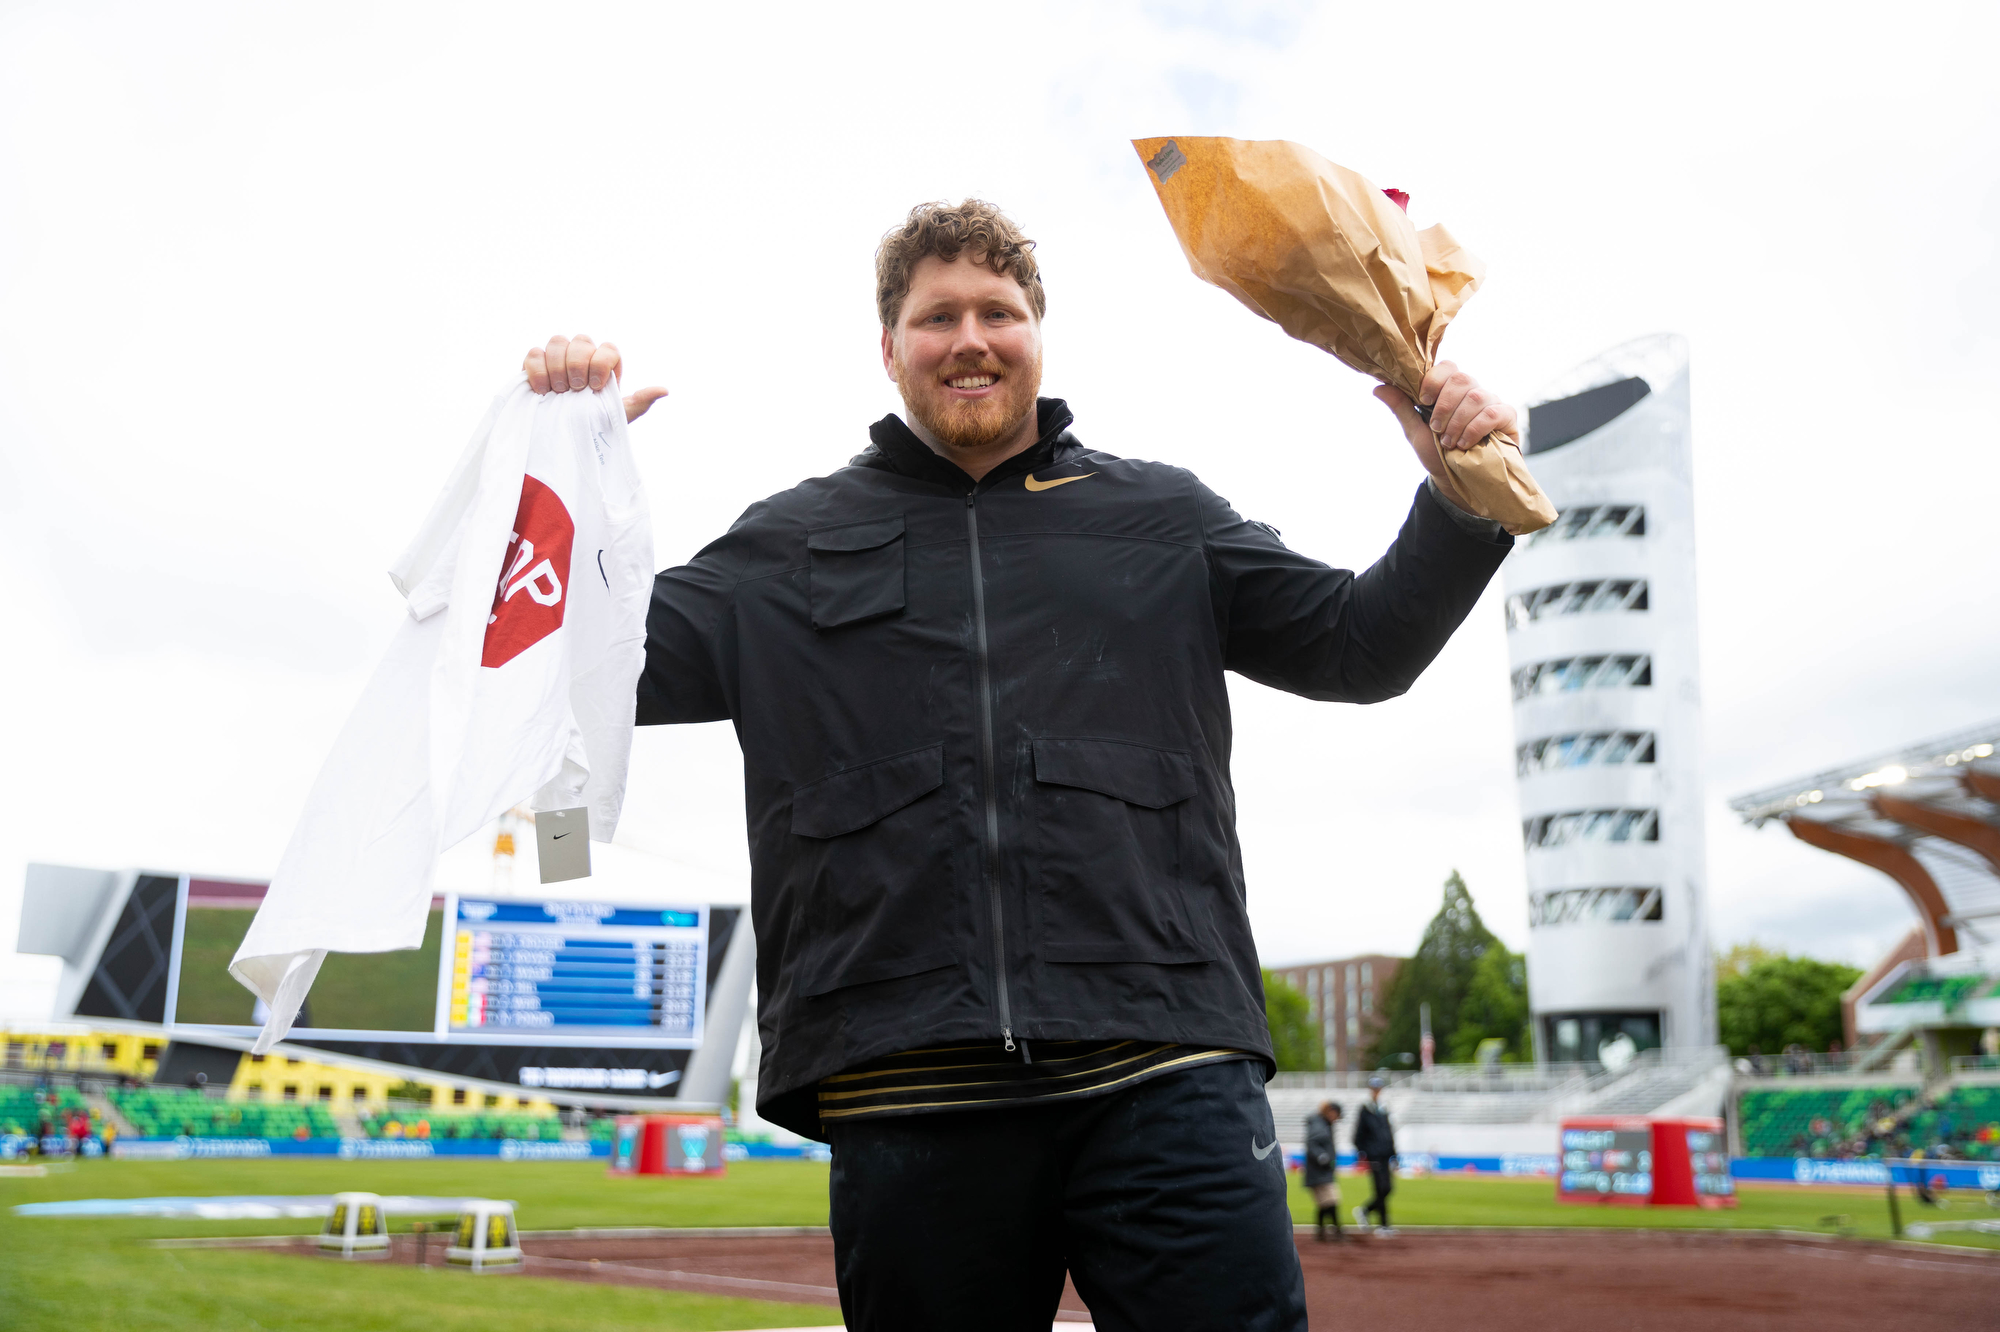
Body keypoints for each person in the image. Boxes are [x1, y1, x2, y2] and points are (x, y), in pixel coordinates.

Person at [519, 199, 1517, 1331]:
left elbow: (1358, 648)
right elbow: (572, 672)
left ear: (1037, 333)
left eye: (997, 310)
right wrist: (559, 466)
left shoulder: (1163, 518)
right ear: (888, 347)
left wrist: (1456, 497)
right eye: (934, 315)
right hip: (905, 1078)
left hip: (1165, 1058)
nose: (969, 337)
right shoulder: (783, 547)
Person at [1352, 1075, 1397, 1237]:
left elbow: (1389, 1133)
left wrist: (1394, 1154)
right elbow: (1358, 1135)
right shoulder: (1366, 1109)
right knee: (1380, 1188)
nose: (1377, 1091)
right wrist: (1365, 1153)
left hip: (1385, 1154)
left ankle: (1365, 1210)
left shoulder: (1383, 1109)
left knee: (1388, 1188)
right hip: (1375, 1155)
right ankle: (1384, 1225)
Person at [1303, 1101, 1344, 1241]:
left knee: (1324, 1203)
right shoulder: (1319, 1125)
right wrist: (1323, 1157)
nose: (1336, 1118)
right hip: (1319, 1171)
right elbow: (1312, 1143)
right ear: (1330, 1111)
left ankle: (1320, 1232)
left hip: (1320, 1171)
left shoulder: (1321, 1124)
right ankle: (1337, 1232)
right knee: (1331, 1200)